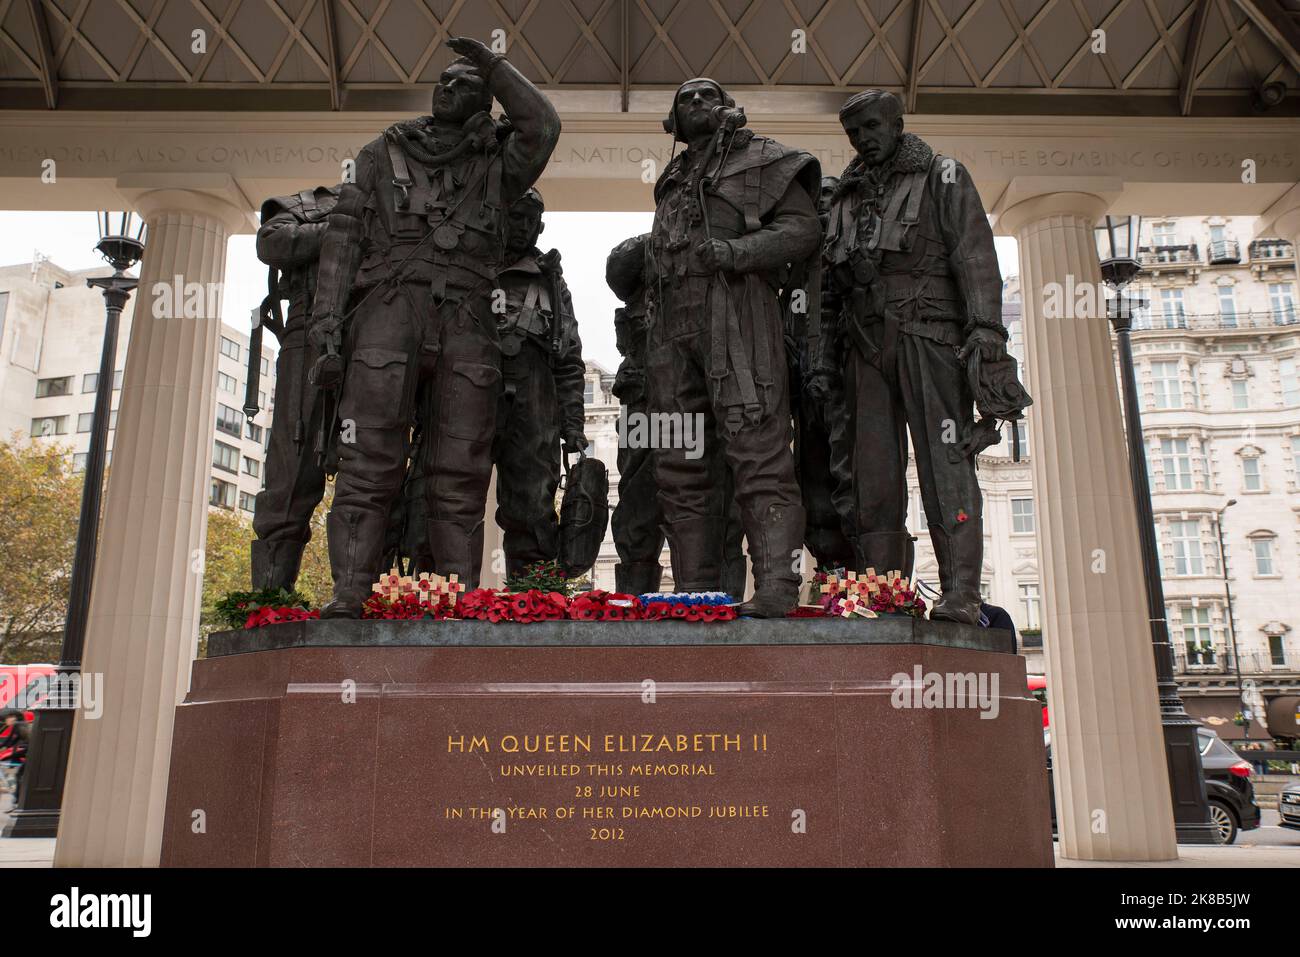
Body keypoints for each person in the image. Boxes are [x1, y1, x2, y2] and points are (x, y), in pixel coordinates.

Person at [309, 36, 560, 617]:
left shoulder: (500, 161)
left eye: (464, 85)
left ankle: (455, 598)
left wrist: (495, 66)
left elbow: (543, 126)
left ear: (486, 100)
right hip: (387, 309)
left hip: (470, 315)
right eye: (443, 82)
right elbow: (342, 238)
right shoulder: (381, 151)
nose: (448, 90)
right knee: (367, 458)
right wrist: (326, 322)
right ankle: (350, 592)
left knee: (461, 468)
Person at [820, 89, 1029, 625]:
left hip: (930, 337)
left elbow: (975, 255)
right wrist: (825, 356)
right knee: (871, 475)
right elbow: (827, 287)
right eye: (854, 133)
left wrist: (986, 332)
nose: (864, 139)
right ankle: (882, 593)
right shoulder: (842, 196)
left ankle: (961, 592)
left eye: (871, 127)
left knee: (946, 463)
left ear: (896, 123)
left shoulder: (944, 175)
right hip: (863, 346)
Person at [645, 78, 822, 617]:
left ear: (726, 107)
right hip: (672, 330)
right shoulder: (672, 178)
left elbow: (804, 230)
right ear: (673, 119)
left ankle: (776, 588)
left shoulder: (766, 158)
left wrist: (738, 251)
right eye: (685, 98)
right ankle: (695, 591)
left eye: (707, 95)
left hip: (738, 317)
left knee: (759, 455)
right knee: (678, 459)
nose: (697, 102)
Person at [606, 233, 746, 597]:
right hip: (646, 409)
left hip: (700, 411)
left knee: (720, 509)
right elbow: (618, 268)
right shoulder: (642, 287)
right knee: (638, 510)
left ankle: (718, 606)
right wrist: (660, 244)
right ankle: (634, 608)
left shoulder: (709, 288)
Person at [489, 188, 587, 578]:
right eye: (513, 216)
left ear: (539, 226)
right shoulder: (467, 269)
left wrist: (573, 425)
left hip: (535, 406)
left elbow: (568, 359)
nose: (520, 227)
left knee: (532, 505)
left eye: (529, 219)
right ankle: (442, 597)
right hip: (468, 398)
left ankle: (532, 599)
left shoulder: (551, 283)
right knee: (450, 497)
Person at [249, 184, 340, 591]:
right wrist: (345, 228)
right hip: (307, 339)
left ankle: (360, 598)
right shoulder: (309, 205)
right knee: (292, 466)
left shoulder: (405, 210)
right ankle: (269, 598)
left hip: (381, 342)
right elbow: (273, 243)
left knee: (373, 475)